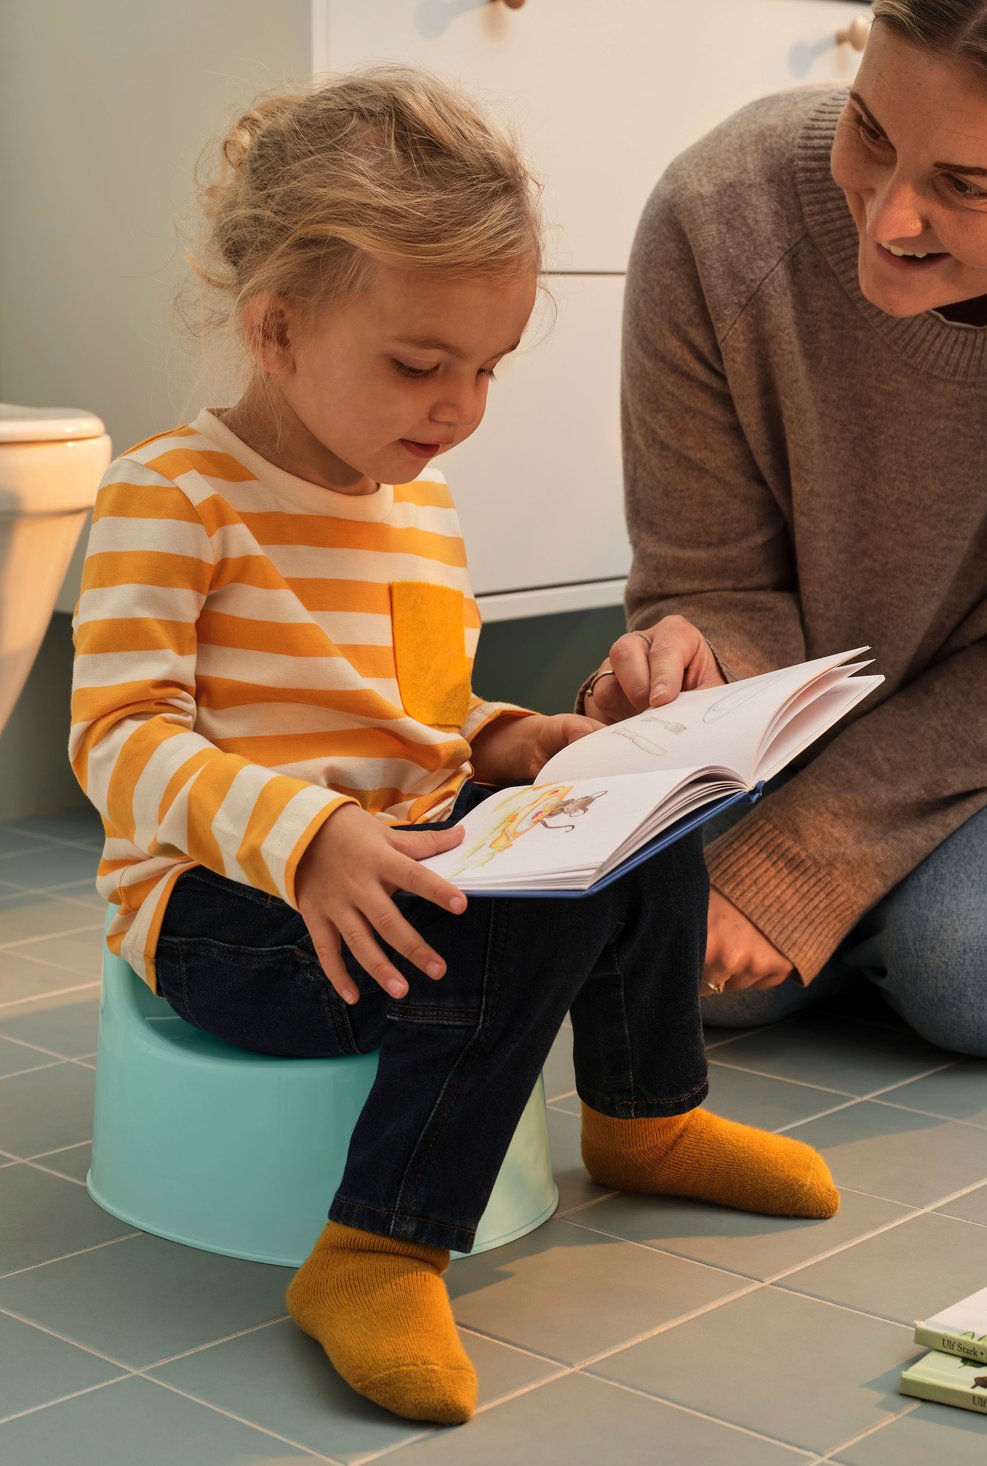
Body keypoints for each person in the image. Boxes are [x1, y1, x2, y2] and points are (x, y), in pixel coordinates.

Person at [67, 71, 840, 1428]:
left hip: (403, 858)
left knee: (636, 815)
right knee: (506, 924)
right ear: (277, 325)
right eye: (421, 364)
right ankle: (377, 1243)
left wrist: (534, 741)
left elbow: (424, 713)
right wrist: (309, 838)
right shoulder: (171, 493)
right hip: (228, 906)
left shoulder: (416, 503)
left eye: (487, 369)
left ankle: (643, 1112)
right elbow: (117, 741)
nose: (458, 407)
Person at [582, 0, 987, 1060]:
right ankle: (890, 923)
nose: (887, 214)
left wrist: (811, 854)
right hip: (824, 705)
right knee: (687, 966)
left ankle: (905, 924)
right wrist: (695, 666)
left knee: (978, 970)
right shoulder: (718, 214)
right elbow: (706, 572)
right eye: (868, 130)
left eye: (963, 186)